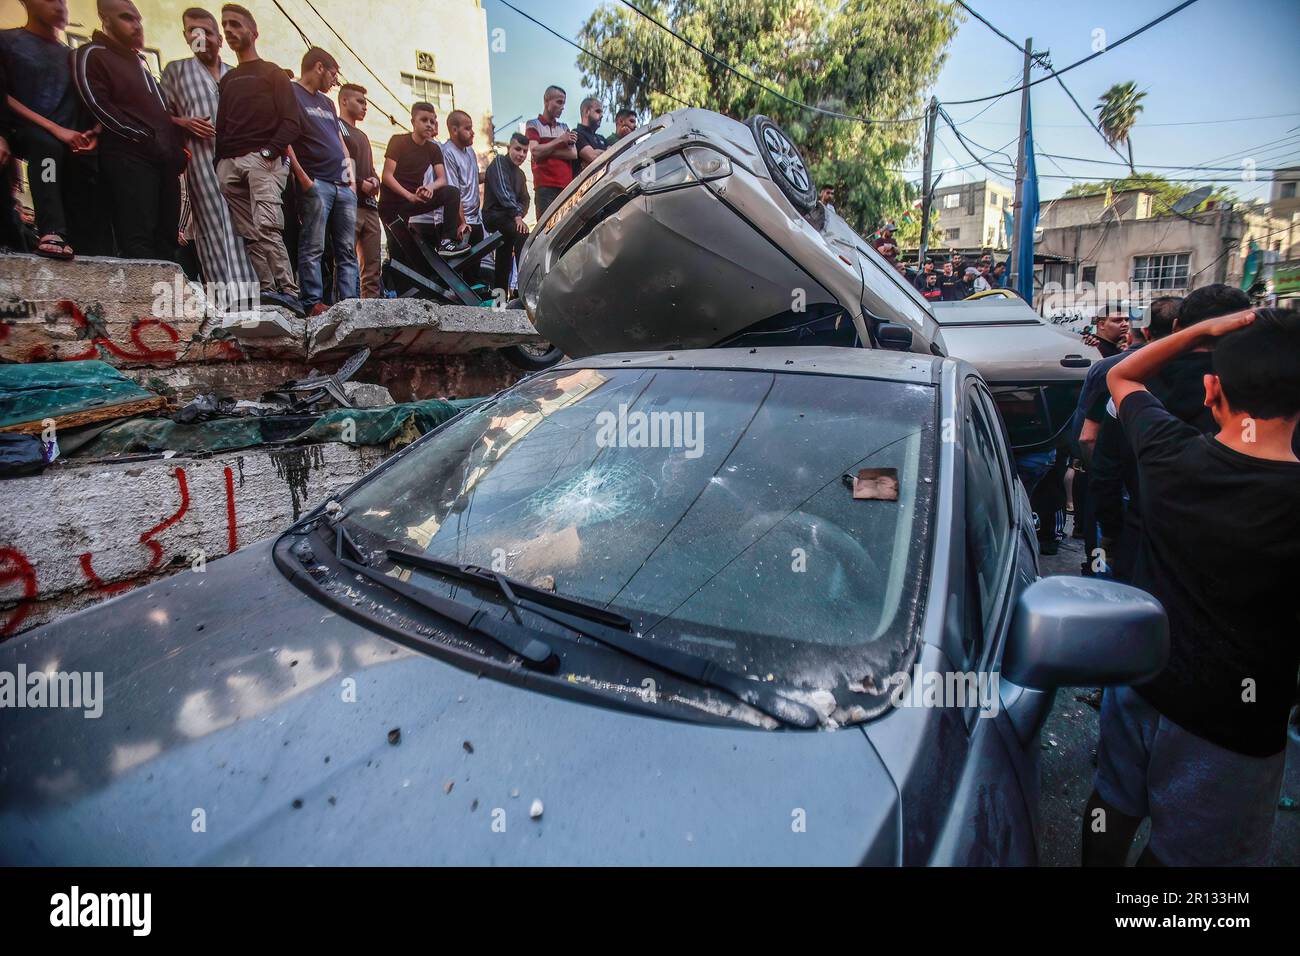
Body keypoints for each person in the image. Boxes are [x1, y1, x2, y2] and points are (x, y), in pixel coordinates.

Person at [1083, 307, 1300, 867]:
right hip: (1235, 724)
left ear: (1211, 390)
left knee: (1112, 806)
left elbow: (1121, 375)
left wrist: (1203, 331)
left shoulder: (1169, 454)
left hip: (1142, 685)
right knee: (1196, 860)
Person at [1091, 288, 1248, 582]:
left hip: (1145, 541)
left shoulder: (1134, 388)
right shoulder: (1262, 390)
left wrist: (1113, 532)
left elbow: (1105, 471)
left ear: (1177, 328)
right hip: (1236, 555)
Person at [72, 0, 187, 262]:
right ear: (106, 19)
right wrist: (138, 135)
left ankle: (165, 298)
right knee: (137, 237)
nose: (136, 26)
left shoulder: (141, 64)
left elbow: (161, 115)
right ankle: (141, 300)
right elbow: (96, 102)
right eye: (127, 19)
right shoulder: (92, 54)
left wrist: (177, 150)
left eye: (138, 20)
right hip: (128, 158)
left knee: (167, 239)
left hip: (164, 163)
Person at [161, 7, 257, 303]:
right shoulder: (176, 71)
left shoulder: (235, 74)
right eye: (193, 32)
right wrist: (184, 122)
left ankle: (253, 306)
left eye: (206, 31)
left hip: (239, 169)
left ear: (218, 37)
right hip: (201, 168)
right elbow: (159, 116)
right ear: (186, 36)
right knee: (213, 235)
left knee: (246, 234)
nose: (200, 37)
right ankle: (225, 309)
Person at [0, 0, 109, 259]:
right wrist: (53, 128)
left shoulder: (71, 55)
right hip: (27, 131)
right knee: (46, 147)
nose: (59, 5)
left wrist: (93, 131)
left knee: (91, 167)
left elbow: (88, 101)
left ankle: (90, 243)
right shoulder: (8, 41)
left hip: (69, 138)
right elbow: (3, 96)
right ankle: (51, 230)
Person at [213, 3, 301, 312]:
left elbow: (293, 121)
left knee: (267, 226)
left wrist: (269, 152)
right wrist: (219, 163)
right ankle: (267, 290)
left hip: (262, 159)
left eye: (236, 24)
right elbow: (221, 124)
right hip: (230, 164)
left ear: (253, 32)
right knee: (249, 233)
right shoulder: (228, 80)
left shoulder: (272, 73)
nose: (230, 30)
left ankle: (289, 293)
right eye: (226, 25)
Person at [286, 46, 356, 316]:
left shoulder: (327, 104)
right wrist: (304, 179)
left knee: (347, 251)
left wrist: (350, 180)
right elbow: (286, 138)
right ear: (319, 67)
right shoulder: (291, 93)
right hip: (317, 184)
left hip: (343, 186)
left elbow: (341, 144)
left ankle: (351, 305)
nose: (334, 82)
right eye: (333, 75)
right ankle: (313, 302)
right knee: (313, 246)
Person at [379, 101, 463, 258]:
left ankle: (446, 243)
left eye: (432, 121)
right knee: (399, 254)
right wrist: (409, 195)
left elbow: (442, 179)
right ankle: (393, 279)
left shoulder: (433, 148)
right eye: (424, 120)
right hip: (391, 205)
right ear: (413, 122)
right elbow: (387, 176)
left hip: (413, 200)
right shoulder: (398, 141)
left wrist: (430, 187)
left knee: (452, 193)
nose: (429, 125)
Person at [337, 82, 381, 298]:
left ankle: (371, 312)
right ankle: (343, 308)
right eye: (360, 102)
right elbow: (340, 162)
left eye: (366, 103)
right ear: (344, 101)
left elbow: (371, 167)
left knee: (373, 266)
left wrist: (374, 180)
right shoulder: (336, 126)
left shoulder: (363, 136)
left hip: (371, 207)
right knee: (345, 261)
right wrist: (361, 182)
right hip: (349, 204)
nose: (365, 107)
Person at [482, 131, 531, 299]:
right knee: (522, 234)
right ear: (509, 147)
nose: (521, 154)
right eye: (518, 149)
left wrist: (519, 213)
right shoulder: (499, 163)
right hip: (494, 216)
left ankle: (499, 304)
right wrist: (517, 216)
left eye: (525, 151)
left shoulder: (521, 174)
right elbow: (504, 193)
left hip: (509, 220)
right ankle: (524, 291)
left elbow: (526, 200)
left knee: (503, 261)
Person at [526, 85, 575, 219]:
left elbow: (573, 154)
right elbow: (535, 151)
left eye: (564, 103)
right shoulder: (533, 124)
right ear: (546, 101)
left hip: (566, 187)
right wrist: (560, 141)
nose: (562, 107)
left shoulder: (564, 127)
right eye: (559, 102)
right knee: (547, 231)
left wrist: (545, 150)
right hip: (545, 188)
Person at [573, 96, 607, 173]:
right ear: (586, 112)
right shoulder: (576, 133)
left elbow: (615, 153)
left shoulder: (601, 138)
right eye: (598, 111)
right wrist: (606, 152)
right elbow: (593, 157)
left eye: (602, 112)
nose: (602, 116)